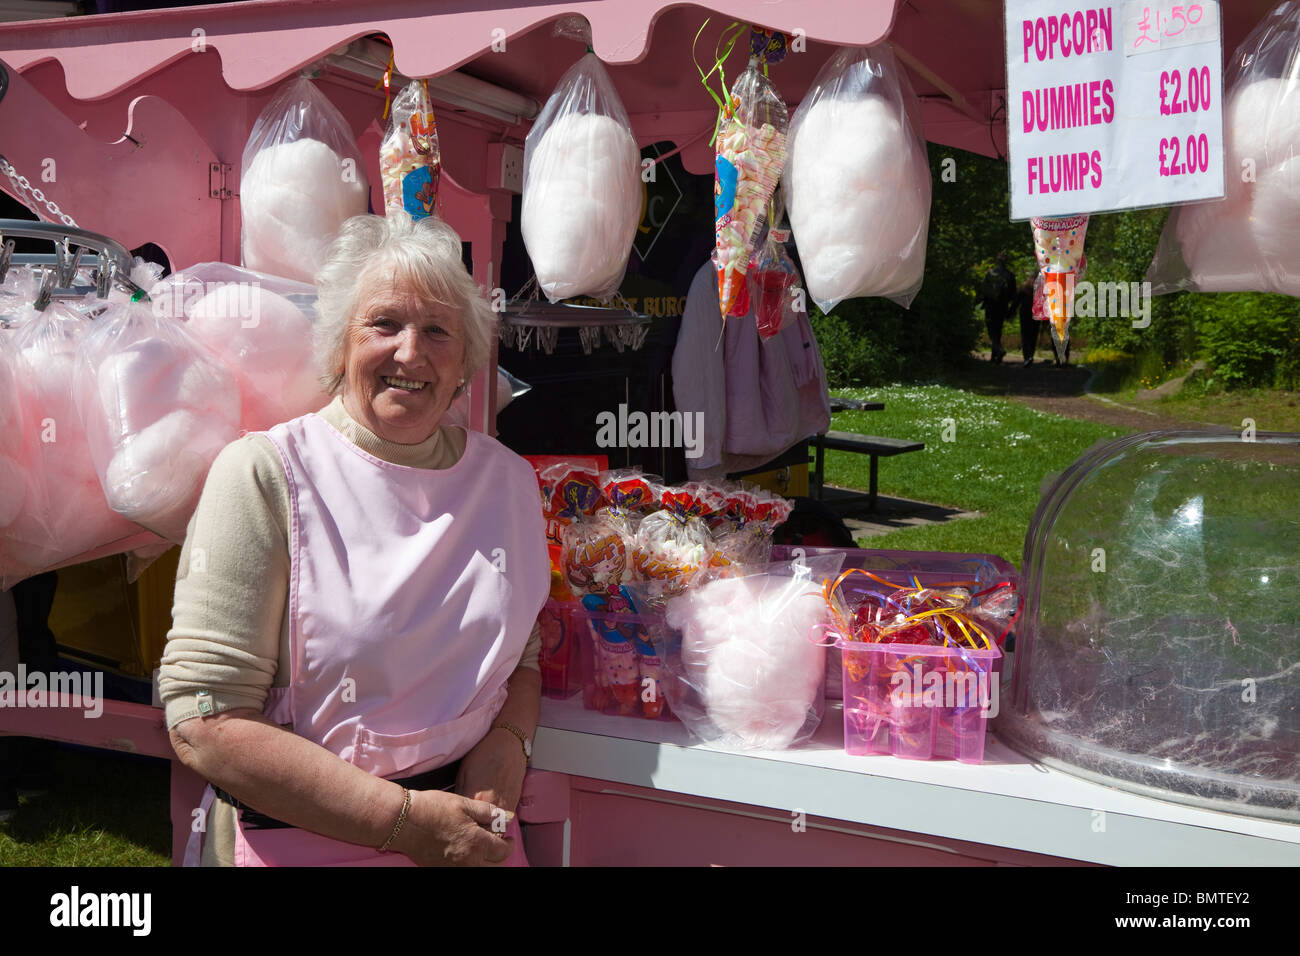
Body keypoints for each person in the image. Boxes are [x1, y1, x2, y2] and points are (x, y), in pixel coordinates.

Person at [159, 213, 550, 866]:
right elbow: (207, 720)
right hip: (309, 841)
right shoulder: (264, 473)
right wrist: (408, 823)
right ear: (339, 343)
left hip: (472, 839)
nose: (410, 353)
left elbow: (524, 655)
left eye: (437, 331)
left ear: (465, 363)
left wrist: (507, 748)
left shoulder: (508, 480)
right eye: (385, 324)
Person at [980, 253, 1016, 363]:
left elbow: (984, 290)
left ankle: (999, 350)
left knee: (991, 330)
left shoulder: (991, 273)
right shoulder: (1010, 275)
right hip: (1002, 306)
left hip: (990, 306)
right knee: (998, 330)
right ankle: (995, 356)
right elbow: (1013, 294)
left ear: (997, 261)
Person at [1015, 271, 1040, 365]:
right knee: (1033, 336)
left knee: (1025, 336)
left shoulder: (1023, 288)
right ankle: (1031, 355)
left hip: (1025, 314)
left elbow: (1016, 302)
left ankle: (1027, 357)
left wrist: (1010, 313)